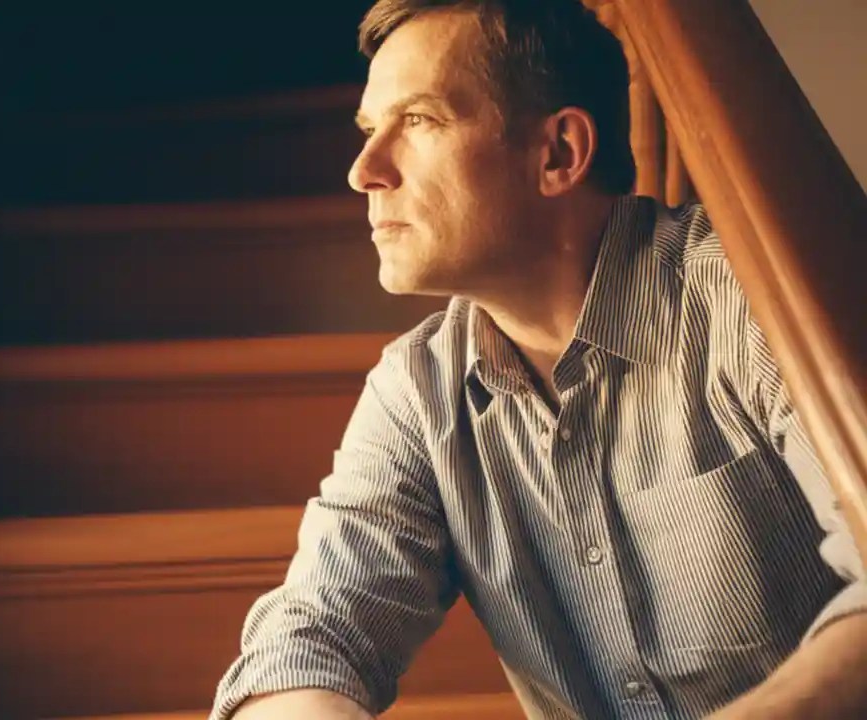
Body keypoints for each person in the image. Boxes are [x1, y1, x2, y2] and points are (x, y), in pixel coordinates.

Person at [209, 1, 867, 718]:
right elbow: (312, 633)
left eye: (421, 120)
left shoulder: (747, 293)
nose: (364, 171)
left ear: (558, 153)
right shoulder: (418, 390)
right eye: (370, 131)